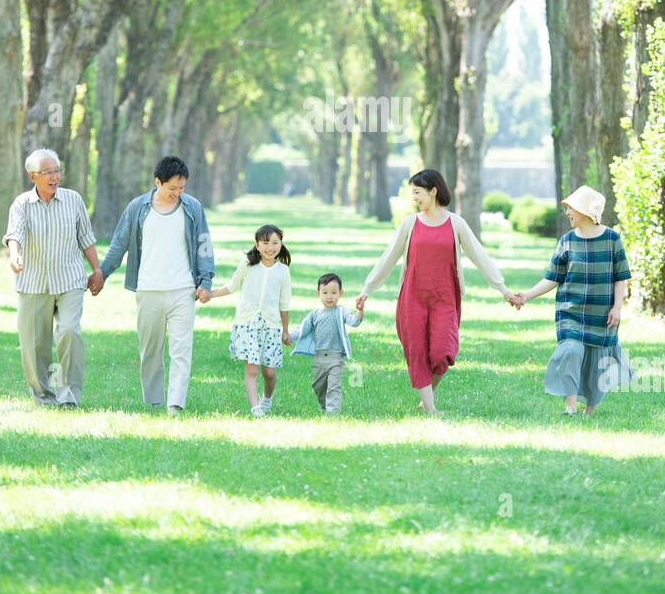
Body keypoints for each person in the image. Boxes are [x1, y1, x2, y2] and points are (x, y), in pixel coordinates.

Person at [356, 168, 518, 414]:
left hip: (444, 298)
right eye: (413, 193)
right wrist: (368, 288)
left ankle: (427, 397)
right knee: (417, 352)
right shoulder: (410, 224)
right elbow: (388, 257)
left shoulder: (456, 224)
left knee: (443, 353)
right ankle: (430, 408)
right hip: (413, 298)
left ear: (433, 191)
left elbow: (480, 257)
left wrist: (503, 289)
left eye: (418, 192)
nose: (415, 198)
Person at [95, 156, 214, 415]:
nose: (177, 193)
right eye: (172, 188)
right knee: (150, 352)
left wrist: (206, 280)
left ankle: (175, 404)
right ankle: (153, 403)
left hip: (183, 290)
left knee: (181, 350)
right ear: (157, 182)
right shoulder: (138, 208)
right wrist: (102, 274)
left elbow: (204, 243)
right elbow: (119, 244)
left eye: (182, 188)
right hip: (148, 289)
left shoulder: (192, 208)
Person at [511, 184, 633, 417]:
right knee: (571, 351)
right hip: (571, 311)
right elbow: (552, 277)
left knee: (598, 360)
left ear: (586, 211)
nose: (567, 213)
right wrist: (526, 295)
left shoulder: (612, 239)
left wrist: (617, 308)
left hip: (602, 313)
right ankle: (570, 404)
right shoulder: (567, 241)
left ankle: (590, 409)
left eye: (571, 209)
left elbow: (621, 278)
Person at [3, 148, 102, 407]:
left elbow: (86, 239)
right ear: (33, 176)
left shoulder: (73, 200)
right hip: (34, 282)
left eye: (57, 170)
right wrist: (14, 255)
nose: (54, 176)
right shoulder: (22, 203)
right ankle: (44, 396)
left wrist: (97, 270)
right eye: (48, 172)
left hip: (69, 280)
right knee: (35, 343)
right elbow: (15, 233)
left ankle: (68, 396)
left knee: (69, 331)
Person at [208, 224, 292, 417]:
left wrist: (285, 330)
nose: (270, 248)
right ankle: (255, 409)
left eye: (275, 243)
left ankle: (266, 400)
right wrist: (209, 295)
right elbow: (231, 286)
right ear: (257, 245)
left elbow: (284, 303)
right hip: (248, 325)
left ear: (280, 244)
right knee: (252, 371)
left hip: (271, 327)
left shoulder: (283, 271)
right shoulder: (248, 264)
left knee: (269, 373)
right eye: (265, 243)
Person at [290, 272, 363, 415]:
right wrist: (288, 337)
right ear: (318, 293)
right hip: (319, 357)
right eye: (325, 292)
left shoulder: (342, 311)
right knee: (318, 386)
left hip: (335, 356)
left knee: (333, 386)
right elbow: (301, 329)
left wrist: (360, 311)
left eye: (334, 292)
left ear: (340, 293)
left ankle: (333, 413)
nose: (329, 296)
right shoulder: (314, 314)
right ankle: (324, 407)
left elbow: (354, 322)